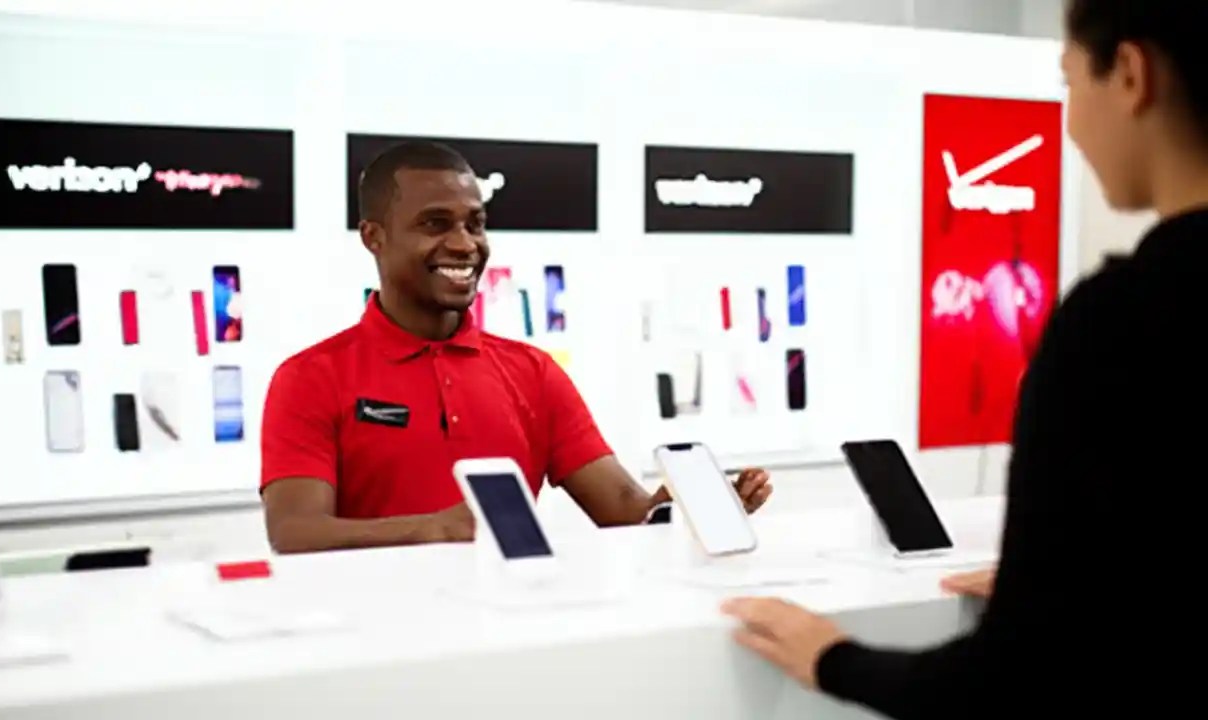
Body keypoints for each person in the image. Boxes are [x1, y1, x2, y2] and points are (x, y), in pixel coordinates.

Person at [721, 1, 1205, 716]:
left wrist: (833, 659)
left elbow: (1011, 679)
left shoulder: (1122, 325)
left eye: (1070, 83)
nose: (1070, 126)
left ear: (1131, 75)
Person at [260, 140, 773, 553]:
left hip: (508, 629)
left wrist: (690, 509)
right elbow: (296, 531)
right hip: (371, 638)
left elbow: (624, 509)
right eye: (435, 224)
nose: (464, 244)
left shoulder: (532, 371)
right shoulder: (310, 376)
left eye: (475, 224)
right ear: (373, 237)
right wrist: (435, 529)